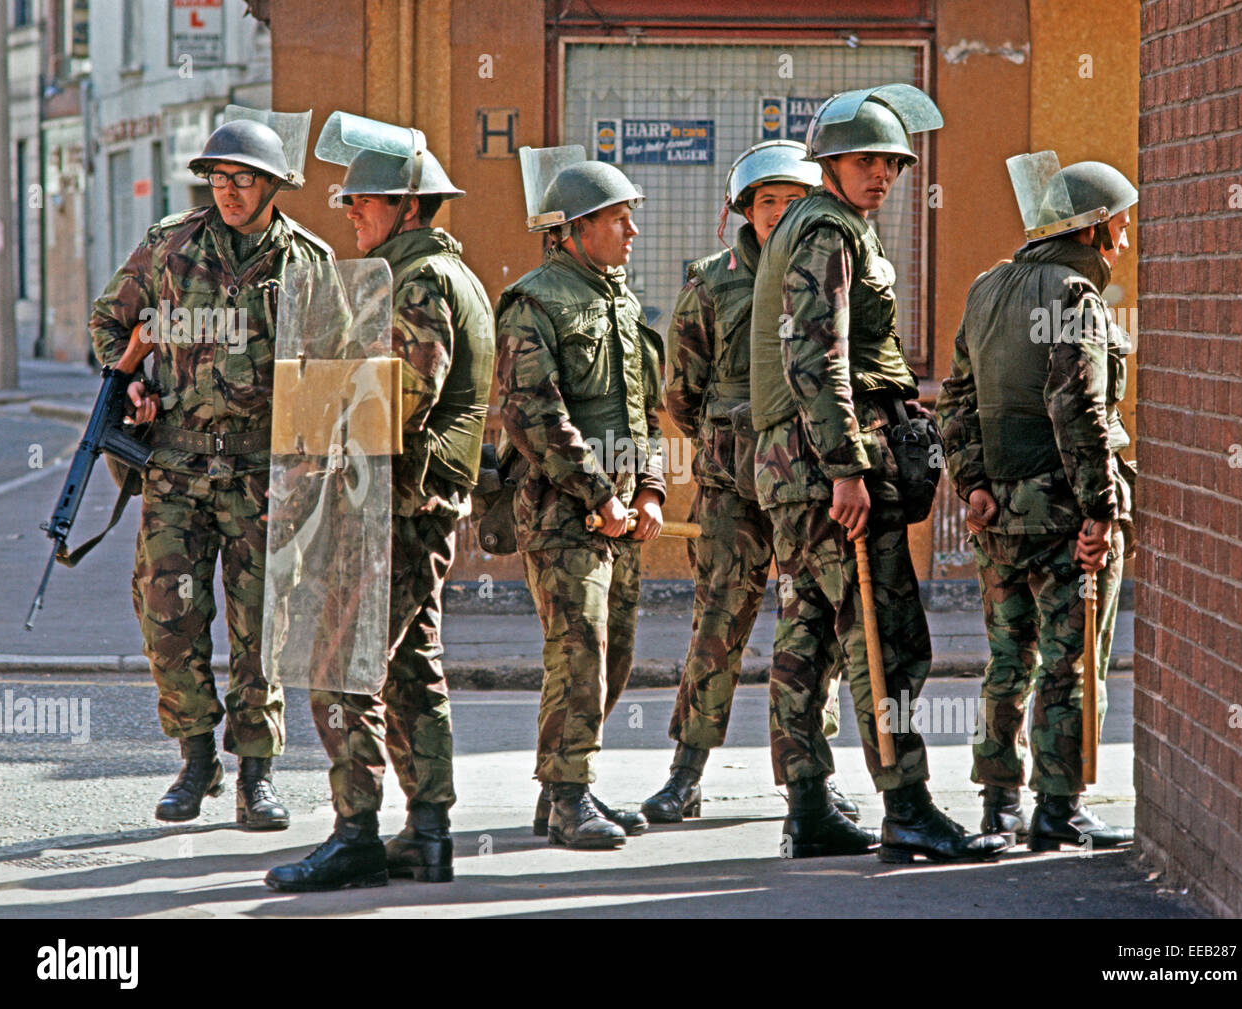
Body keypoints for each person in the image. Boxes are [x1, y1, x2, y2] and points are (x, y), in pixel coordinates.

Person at [749, 85, 1006, 862]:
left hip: (793, 468)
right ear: (829, 163)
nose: (882, 176)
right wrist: (848, 466)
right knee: (882, 641)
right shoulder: (828, 230)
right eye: (866, 161)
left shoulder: (808, 225)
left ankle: (808, 807)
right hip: (829, 465)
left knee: (807, 638)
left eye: (892, 164)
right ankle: (908, 806)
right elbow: (815, 353)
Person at [264, 114, 494, 891]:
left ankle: (356, 832)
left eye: (361, 201)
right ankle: (428, 834)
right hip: (411, 507)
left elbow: (401, 395)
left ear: (404, 202)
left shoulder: (419, 279)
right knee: (411, 671)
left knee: (337, 665)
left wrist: (316, 428)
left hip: (392, 509)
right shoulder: (434, 271)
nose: (349, 213)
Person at [89, 109, 332, 830]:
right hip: (176, 467)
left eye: (244, 178)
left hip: (266, 471)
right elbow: (109, 323)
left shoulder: (309, 265)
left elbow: (339, 369)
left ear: (272, 185)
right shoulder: (170, 248)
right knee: (168, 615)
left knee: (265, 626)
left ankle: (257, 771)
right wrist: (128, 379)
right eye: (219, 177)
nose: (228, 190)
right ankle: (196, 759)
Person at [642, 141, 858, 824]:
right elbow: (681, 391)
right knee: (718, 623)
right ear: (745, 210)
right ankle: (686, 772)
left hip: (804, 483)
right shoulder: (712, 281)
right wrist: (728, 440)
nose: (780, 214)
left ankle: (811, 780)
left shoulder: (825, 273)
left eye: (794, 202)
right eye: (768, 202)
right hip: (733, 489)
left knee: (810, 627)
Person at [935, 152, 1137, 851]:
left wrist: (974, 487)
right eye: (1120, 224)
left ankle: (997, 805)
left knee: (1006, 658)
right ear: (1091, 230)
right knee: (1070, 660)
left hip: (1002, 516)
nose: (1127, 239)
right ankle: (1059, 807)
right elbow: (1076, 404)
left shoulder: (988, 287)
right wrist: (1100, 509)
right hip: (1062, 514)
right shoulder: (1075, 298)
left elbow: (955, 399)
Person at [496, 148, 665, 849]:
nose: (631, 232)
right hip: (565, 514)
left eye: (629, 219)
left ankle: (566, 787)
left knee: (614, 652)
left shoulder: (618, 299)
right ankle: (568, 798)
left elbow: (645, 411)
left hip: (621, 514)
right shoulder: (535, 301)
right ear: (574, 228)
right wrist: (597, 493)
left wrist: (650, 487)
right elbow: (534, 412)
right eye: (618, 220)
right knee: (579, 651)